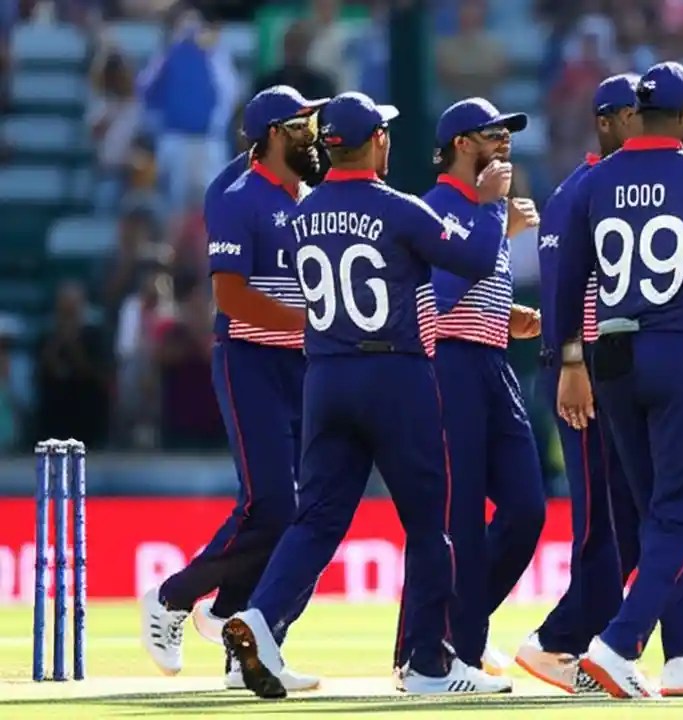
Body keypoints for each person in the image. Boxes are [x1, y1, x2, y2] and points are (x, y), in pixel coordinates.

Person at [220, 91, 512, 698]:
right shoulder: (400, 210)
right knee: (432, 525)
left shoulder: (300, 215)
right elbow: (477, 258)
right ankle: (429, 664)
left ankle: (260, 618)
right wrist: (489, 205)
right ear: (376, 141)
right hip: (394, 375)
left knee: (316, 520)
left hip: (325, 377)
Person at [552, 61, 683, 698]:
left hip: (607, 354)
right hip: (678, 349)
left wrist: (569, 362)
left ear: (637, 114)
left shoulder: (595, 182)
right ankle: (618, 644)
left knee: (649, 514)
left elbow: (565, 285)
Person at [141, 86, 326, 691]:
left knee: (298, 513)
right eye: (301, 126)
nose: (312, 136)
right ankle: (172, 596)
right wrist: (312, 322)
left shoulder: (306, 192)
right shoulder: (237, 193)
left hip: (301, 368)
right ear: (272, 133)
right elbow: (231, 295)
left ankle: (241, 644)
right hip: (249, 362)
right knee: (271, 502)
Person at [515, 74, 644, 694]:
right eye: (637, 114)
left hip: (606, 367)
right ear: (609, 121)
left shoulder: (616, 187)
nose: (650, 123)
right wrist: (571, 363)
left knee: (629, 513)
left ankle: (584, 638)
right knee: (601, 517)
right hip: (582, 369)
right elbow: (563, 287)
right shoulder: (580, 191)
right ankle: (556, 642)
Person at [418, 97, 546, 675]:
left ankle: (459, 625)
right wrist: (495, 214)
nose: (506, 143)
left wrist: (506, 314)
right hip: (450, 370)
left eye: (508, 133)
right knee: (460, 518)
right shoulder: (441, 207)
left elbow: (468, 288)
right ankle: (445, 649)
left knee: (526, 509)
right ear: (463, 145)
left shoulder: (479, 208)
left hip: (491, 364)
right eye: (493, 134)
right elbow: (438, 297)